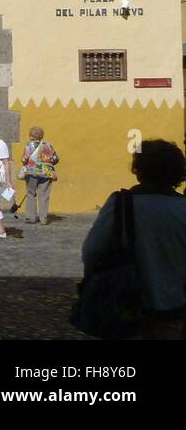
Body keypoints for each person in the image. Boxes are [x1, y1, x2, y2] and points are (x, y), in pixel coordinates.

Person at [81, 139, 186, 339]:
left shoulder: (121, 204)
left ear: (138, 169)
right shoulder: (182, 209)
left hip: (124, 306)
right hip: (172, 306)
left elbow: (92, 251)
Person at [21, 126, 60, 225]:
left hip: (31, 172)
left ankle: (31, 217)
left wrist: (26, 162)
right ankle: (43, 219)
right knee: (44, 196)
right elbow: (55, 158)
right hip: (46, 173)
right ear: (41, 136)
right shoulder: (48, 145)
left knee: (31, 194)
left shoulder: (28, 145)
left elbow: (24, 159)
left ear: (31, 135)